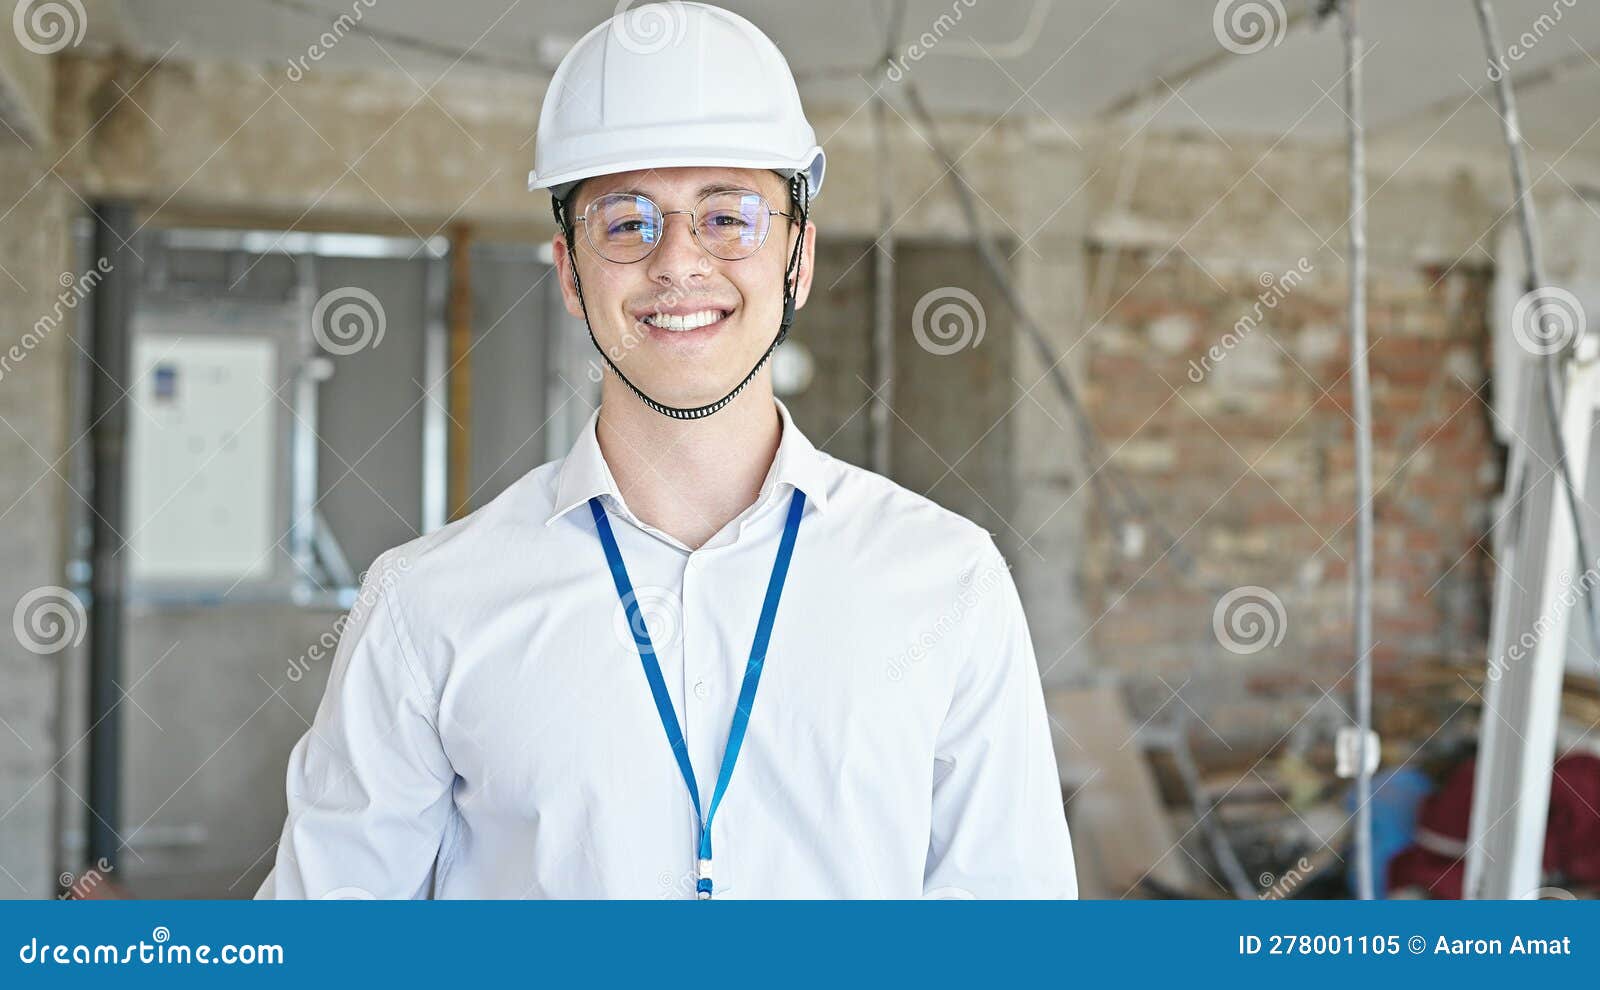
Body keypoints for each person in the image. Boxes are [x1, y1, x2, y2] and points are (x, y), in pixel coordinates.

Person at [257, 1, 1076, 900]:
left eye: (729, 217)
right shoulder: (425, 610)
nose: (679, 262)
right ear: (571, 272)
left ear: (797, 258)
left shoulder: (947, 582)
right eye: (626, 221)